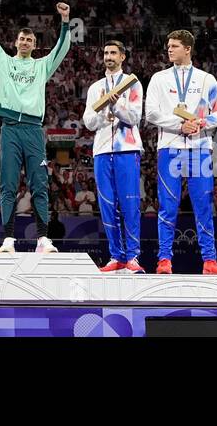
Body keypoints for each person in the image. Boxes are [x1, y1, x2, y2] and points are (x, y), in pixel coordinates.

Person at [0, 0, 72, 253]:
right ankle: (8, 238)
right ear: (15, 41)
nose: (25, 42)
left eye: (30, 39)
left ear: (34, 44)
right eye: (22, 38)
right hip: (9, 128)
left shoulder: (42, 65)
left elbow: (62, 48)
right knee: (8, 185)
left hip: (32, 130)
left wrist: (65, 20)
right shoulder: (4, 62)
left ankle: (42, 238)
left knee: (39, 185)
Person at [145, 29, 217, 274]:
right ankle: (164, 259)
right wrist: (179, 125)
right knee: (168, 205)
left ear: (188, 49)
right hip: (170, 148)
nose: (169, 49)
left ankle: (210, 260)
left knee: (203, 205)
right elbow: (151, 113)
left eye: (175, 46)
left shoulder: (206, 79)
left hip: (200, 149)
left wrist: (200, 123)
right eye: (168, 45)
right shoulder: (159, 78)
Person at [83, 39, 145, 272]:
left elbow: (135, 118)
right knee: (107, 204)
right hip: (101, 149)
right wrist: (104, 114)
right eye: (106, 53)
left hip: (126, 148)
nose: (108, 56)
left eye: (113, 53)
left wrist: (117, 106)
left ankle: (133, 256)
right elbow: (88, 122)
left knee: (129, 203)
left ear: (122, 57)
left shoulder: (133, 84)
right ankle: (116, 256)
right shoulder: (95, 87)